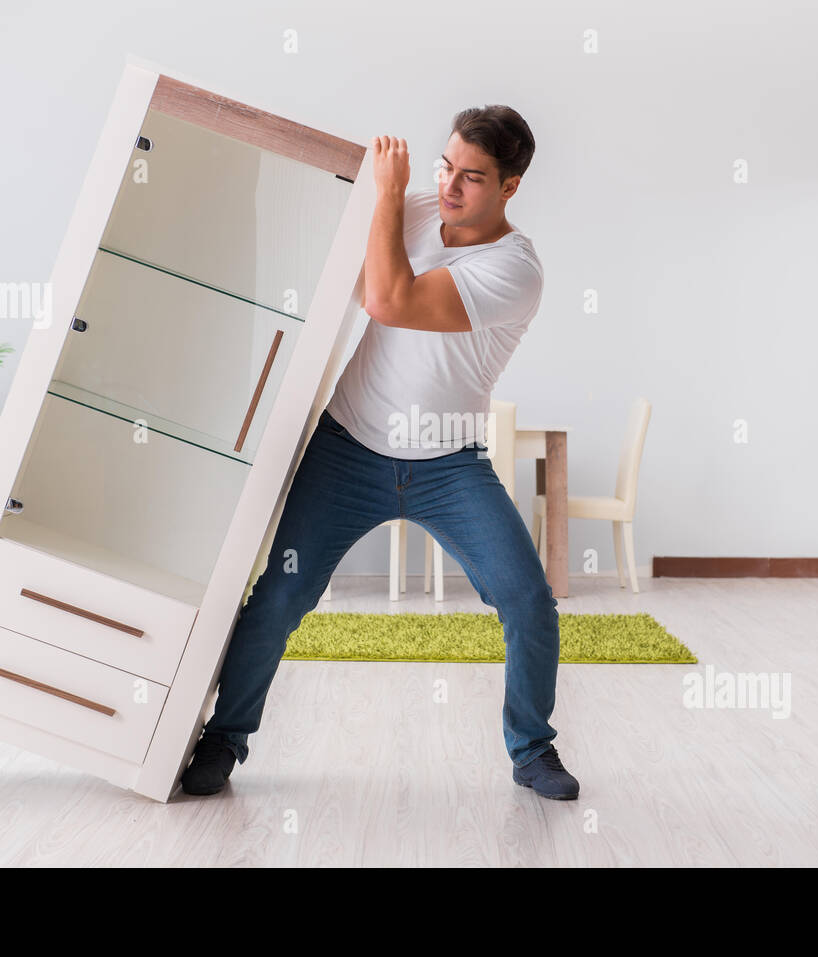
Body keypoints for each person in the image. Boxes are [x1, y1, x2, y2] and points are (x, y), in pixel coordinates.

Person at [181, 104, 577, 800]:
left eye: (473, 178)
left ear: (511, 187)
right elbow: (362, 279)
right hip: (348, 448)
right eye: (445, 167)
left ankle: (532, 748)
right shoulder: (417, 209)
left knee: (527, 597)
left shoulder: (517, 269)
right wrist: (387, 201)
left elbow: (391, 301)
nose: (450, 187)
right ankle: (223, 737)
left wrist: (390, 196)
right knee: (282, 592)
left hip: (449, 466)